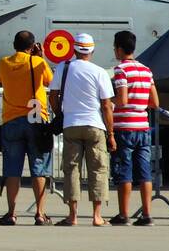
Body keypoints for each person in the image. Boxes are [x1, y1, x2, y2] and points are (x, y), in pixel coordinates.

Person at [49, 32, 115, 227]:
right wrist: (111, 134)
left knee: (71, 170)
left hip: (71, 125)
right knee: (98, 170)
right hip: (95, 125)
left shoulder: (63, 68)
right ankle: (97, 216)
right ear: (92, 50)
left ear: (74, 49)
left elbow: (53, 96)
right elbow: (106, 106)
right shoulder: (100, 72)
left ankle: (73, 215)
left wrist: (60, 112)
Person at [0, 31, 54, 225]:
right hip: (36, 118)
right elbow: (48, 80)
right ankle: (40, 213)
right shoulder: (37, 62)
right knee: (39, 167)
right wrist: (41, 57)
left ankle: (11, 213)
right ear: (32, 47)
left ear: (14, 44)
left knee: (12, 169)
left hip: (11, 119)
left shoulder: (3, 62)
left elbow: (1, 80)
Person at [109, 30, 160, 226]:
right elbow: (154, 102)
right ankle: (147, 214)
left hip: (125, 127)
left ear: (120, 49)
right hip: (143, 127)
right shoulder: (146, 70)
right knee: (145, 172)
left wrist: (106, 101)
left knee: (124, 171)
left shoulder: (121, 70)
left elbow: (121, 100)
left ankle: (124, 214)